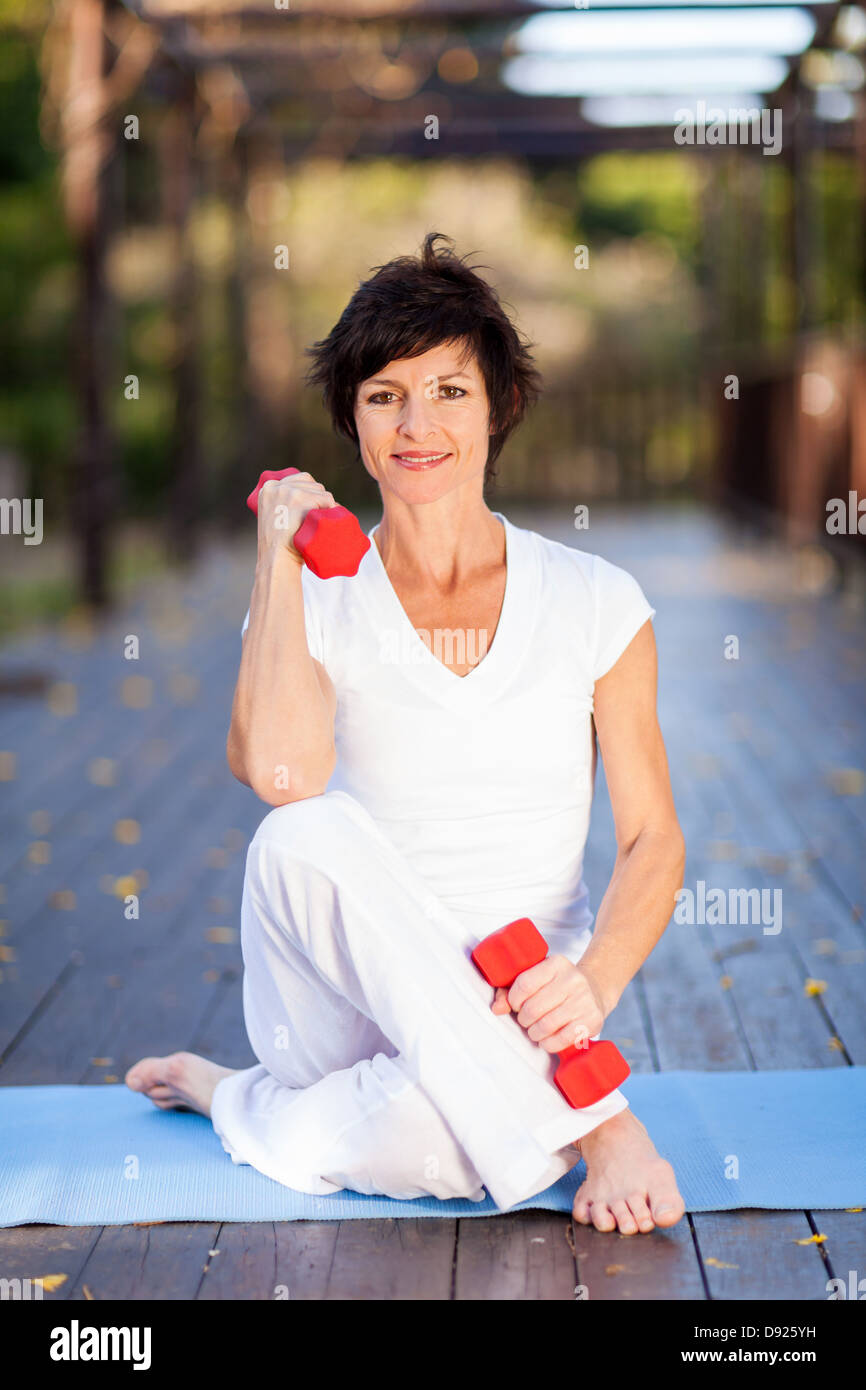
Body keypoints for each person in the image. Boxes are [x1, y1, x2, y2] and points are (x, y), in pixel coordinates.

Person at [126, 233, 687, 1234]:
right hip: (338, 1016)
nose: (416, 425)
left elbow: (652, 837)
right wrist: (278, 559)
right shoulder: (310, 600)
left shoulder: (597, 601)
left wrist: (593, 979)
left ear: (499, 406)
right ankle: (600, 1123)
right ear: (353, 418)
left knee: (455, 1146)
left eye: (448, 392)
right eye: (385, 395)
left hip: (523, 1016)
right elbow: (281, 774)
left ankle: (231, 1098)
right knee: (302, 831)